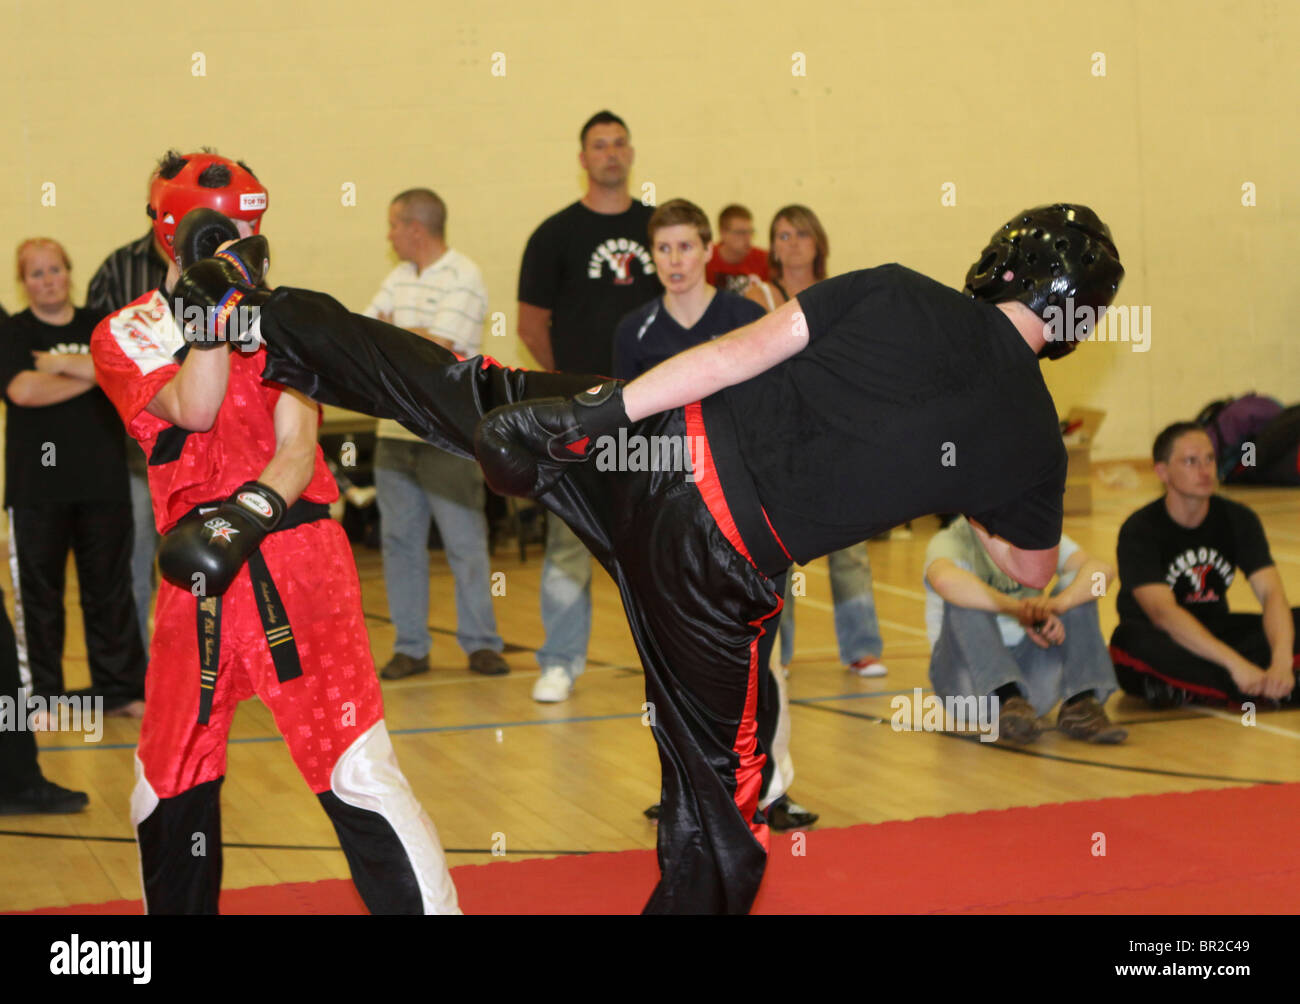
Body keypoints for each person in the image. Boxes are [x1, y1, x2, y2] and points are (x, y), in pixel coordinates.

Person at [183, 202, 1123, 914]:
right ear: (1079, 318)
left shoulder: (903, 290)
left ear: (1003, 258)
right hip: (716, 573)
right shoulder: (1035, 441)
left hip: (656, 449)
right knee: (723, 805)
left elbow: (744, 351)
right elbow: (1029, 571)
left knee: (463, 388)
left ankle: (265, 314)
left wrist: (595, 416)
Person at [89, 152, 458, 914]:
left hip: (290, 552)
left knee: (354, 768)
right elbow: (194, 405)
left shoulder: (279, 318)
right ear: (181, 231)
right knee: (167, 777)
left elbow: (297, 444)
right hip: (193, 572)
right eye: (224, 230)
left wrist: (251, 509)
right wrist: (209, 309)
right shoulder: (126, 332)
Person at [613, 197, 815, 831]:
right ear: (653, 258)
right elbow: (624, 432)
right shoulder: (634, 334)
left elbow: (779, 413)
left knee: (759, 660)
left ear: (707, 251)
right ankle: (688, 787)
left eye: (685, 247)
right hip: (670, 524)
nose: (675, 260)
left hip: (747, 521)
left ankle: (771, 791)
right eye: (663, 249)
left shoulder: (745, 316)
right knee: (675, 663)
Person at [516, 110, 660, 702]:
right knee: (571, 541)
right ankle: (560, 660)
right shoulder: (555, 234)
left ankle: (671, 662)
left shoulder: (659, 227)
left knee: (660, 540)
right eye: (599, 146)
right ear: (583, 159)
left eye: (619, 143)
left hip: (656, 408)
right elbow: (529, 323)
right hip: (579, 413)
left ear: (631, 152)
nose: (610, 153)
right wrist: (569, 386)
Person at [363, 188, 507, 680]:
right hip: (392, 431)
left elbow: (442, 349)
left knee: (463, 540)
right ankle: (410, 646)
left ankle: (482, 643)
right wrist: (408, 333)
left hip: (447, 433)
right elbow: (363, 334)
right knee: (400, 541)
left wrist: (396, 334)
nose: (389, 235)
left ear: (416, 229)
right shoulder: (397, 277)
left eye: (393, 225)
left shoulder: (464, 275)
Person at [0, 238, 147, 719]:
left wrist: (63, 364)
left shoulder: (98, 325)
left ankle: (121, 689)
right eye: (36, 273)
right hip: (37, 489)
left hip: (103, 484)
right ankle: (43, 696)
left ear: (69, 272)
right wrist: (92, 374)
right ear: (23, 284)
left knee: (109, 590)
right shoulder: (14, 331)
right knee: (40, 597)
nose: (47, 280)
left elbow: (126, 376)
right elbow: (23, 390)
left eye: (55, 269)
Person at [746, 205, 888, 678]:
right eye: (781, 235)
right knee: (777, 553)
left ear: (818, 242)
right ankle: (775, 657)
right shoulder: (758, 294)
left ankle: (861, 647)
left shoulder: (839, 294)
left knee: (849, 548)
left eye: (801, 234)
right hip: (779, 440)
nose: (792, 243)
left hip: (834, 435)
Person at [1110, 422, 1299, 708]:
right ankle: (1251, 689)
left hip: (1215, 633)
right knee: (1127, 640)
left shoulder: (1239, 519)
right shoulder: (1140, 529)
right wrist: (1236, 665)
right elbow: (1163, 614)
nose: (1205, 470)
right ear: (1162, 471)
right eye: (1190, 461)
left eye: (1210, 459)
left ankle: (1213, 689)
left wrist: (1282, 663)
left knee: (1294, 619)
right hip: (1164, 640)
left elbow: (1271, 594)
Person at [924, 516, 1128, 743]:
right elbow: (944, 582)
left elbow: (1104, 574)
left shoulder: (1034, 535)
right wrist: (1019, 611)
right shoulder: (952, 540)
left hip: (1032, 688)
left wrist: (1060, 604)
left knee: (1080, 584)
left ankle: (1081, 704)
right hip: (967, 687)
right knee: (962, 595)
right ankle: (1008, 698)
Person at [86, 171, 171, 656]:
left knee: (210, 562)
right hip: (139, 453)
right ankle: (147, 668)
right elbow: (100, 356)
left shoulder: (226, 268)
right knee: (139, 560)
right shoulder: (119, 268)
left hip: (212, 453)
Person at [704, 204, 769, 296]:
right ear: (723, 232)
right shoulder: (706, 259)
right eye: (741, 233)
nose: (748, 238)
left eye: (750, 232)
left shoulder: (764, 260)